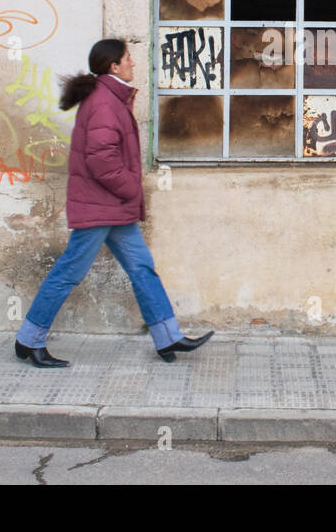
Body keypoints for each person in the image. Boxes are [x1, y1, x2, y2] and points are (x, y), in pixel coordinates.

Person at [13, 38, 212, 366]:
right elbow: (101, 161)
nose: (134, 63)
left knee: (142, 268)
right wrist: (132, 188)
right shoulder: (105, 102)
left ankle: (168, 337)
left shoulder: (109, 97)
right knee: (68, 272)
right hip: (101, 207)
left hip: (113, 208)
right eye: (128, 59)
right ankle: (29, 340)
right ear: (113, 66)